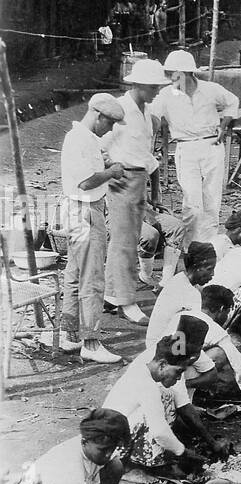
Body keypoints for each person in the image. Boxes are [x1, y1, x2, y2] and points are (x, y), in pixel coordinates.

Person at [52, 93, 127, 362]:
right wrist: (111, 173)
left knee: (74, 275)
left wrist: (105, 164)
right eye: (110, 123)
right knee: (92, 280)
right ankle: (91, 342)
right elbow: (85, 182)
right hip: (85, 210)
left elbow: (89, 169)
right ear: (98, 115)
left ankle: (68, 333)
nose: (111, 128)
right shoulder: (78, 139)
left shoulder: (86, 138)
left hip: (78, 210)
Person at [103, 318, 221, 470]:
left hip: (114, 431)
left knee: (166, 396)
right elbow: (160, 431)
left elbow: (182, 402)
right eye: (178, 373)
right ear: (162, 365)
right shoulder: (148, 382)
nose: (179, 378)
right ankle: (128, 467)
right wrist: (183, 453)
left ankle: (136, 459)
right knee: (163, 403)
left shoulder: (167, 356)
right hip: (110, 443)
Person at [102, 58, 168, 325]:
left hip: (138, 179)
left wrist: (155, 189)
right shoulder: (120, 109)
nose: (157, 91)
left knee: (126, 241)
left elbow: (147, 155)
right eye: (154, 86)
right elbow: (100, 144)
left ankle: (110, 295)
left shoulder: (145, 113)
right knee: (124, 244)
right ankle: (126, 302)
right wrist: (112, 169)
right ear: (139, 84)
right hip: (122, 179)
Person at [153, 50, 239, 243]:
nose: (171, 78)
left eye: (174, 74)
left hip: (212, 145)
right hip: (186, 148)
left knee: (212, 201)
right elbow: (151, 115)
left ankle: (208, 246)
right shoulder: (166, 95)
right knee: (192, 203)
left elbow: (232, 102)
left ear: (187, 73)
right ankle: (189, 247)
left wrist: (223, 127)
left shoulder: (210, 89)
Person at [145, 240, 217, 351]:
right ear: (197, 266)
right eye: (209, 269)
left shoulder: (179, 278)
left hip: (154, 344)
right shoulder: (190, 292)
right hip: (161, 350)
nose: (212, 274)